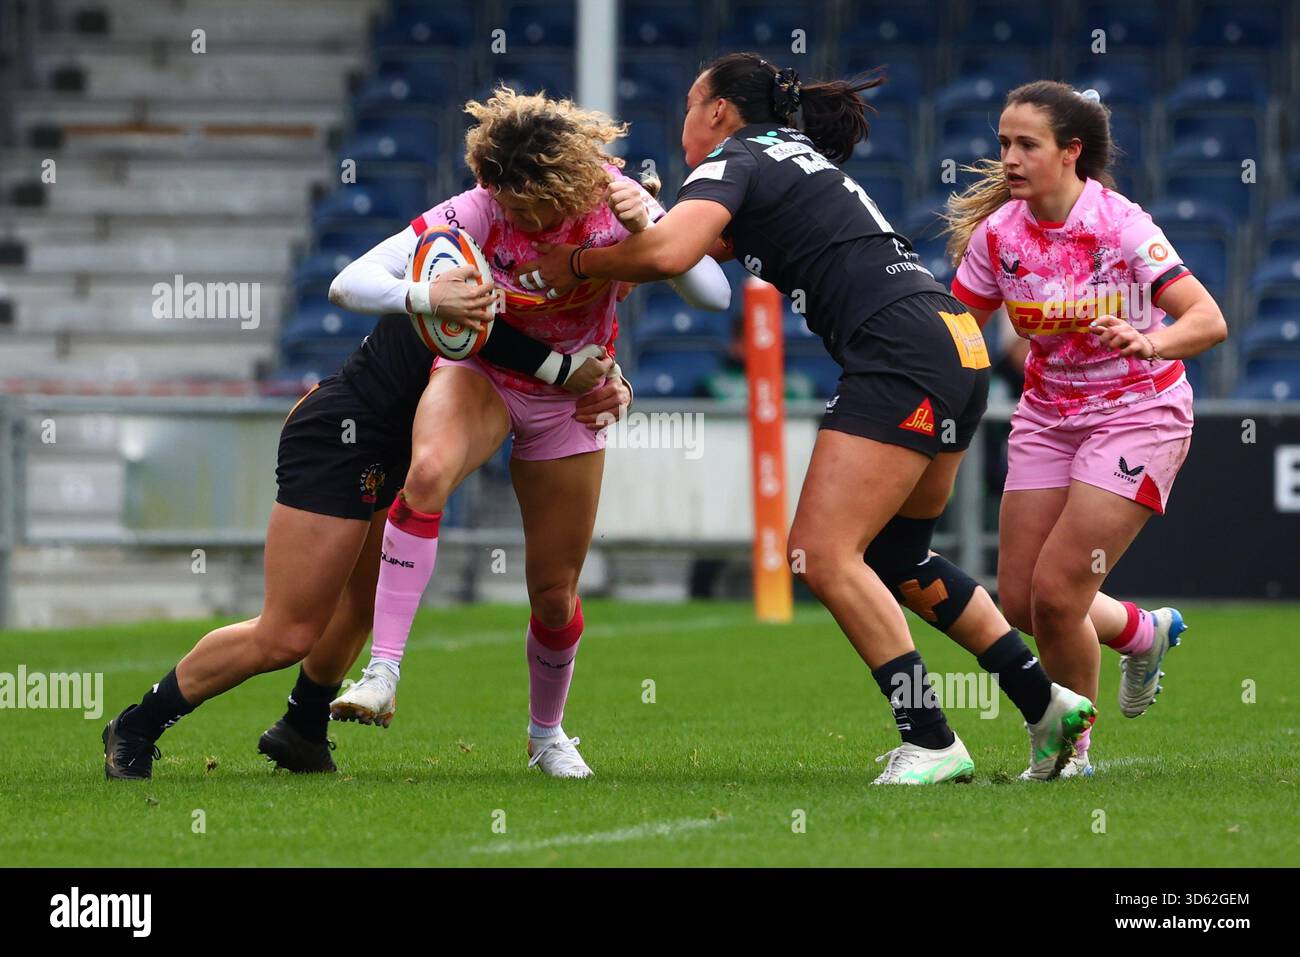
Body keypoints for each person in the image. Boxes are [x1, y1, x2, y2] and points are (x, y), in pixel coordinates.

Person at [520, 53, 1096, 783]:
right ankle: (1043, 700)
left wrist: (571, 264)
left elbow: (669, 254)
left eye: (692, 105)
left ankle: (932, 738)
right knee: (900, 559)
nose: (686, 122)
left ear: (720, 111)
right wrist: (627, 226)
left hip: (897, 352)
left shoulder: (734, 156)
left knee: (822, 554)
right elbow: (696, 258)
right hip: (954, 341)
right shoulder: (790, 156)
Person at [324, 86, 731, 778]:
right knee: (425, 477)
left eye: (525, 205)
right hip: (483, 377)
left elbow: (713, 293)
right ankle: (383, 674)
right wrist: (426, 296)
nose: (511, 215)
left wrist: (651, 232)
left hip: (570, 403)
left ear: (564, 186)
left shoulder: (618, 201)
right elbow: (349, 282)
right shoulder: (484, 203)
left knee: (553, 590)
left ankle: (547, 734)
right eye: (502, 201)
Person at [102, 254, 621, 779]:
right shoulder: (468, 255)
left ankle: (302, 727)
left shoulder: (538, 281)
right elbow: (500, 344)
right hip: (341, 435)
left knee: (364, 605)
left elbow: (558, 356)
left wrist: (611, 379)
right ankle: (137, 725)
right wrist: (570, 372)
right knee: (285, 635)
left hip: (396, 450)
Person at [944, 81, 1227, 776]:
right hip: (1048, 414)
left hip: (1138, 412)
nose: (1008, 158)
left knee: (1060, 593)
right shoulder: (998, 235)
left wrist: (1149, 341)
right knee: (1019, 598)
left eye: (1026, 145)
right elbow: (955, 330)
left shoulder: (1121, 224)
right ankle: (1141, 632)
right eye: (1004, 143)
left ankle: (1070, 752)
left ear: (1071, 152)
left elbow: (1207, 319)